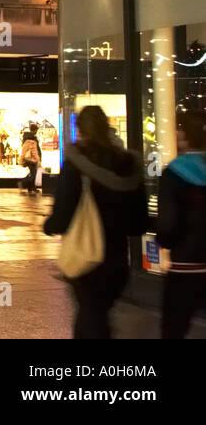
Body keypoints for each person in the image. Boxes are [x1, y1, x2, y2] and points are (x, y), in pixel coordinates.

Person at [44, 105, 148, 339]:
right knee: (99, 314)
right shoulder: (127, 165)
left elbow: (61, 217)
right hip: (118, 258)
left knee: (90, 316)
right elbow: (138, 222)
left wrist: (49, 226)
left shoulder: (75, 167)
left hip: (87, 258)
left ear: (79, 130)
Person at [157, 109, 206, 339]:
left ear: (184, 135)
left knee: (174, 330)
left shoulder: (174, 173)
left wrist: (164, 240)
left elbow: (167, 226)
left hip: (185, 266)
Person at [19, 127, 42, 195]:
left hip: (27, 159)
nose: (36, 132)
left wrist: (22, 158)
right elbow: (34, 152)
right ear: (34, 130)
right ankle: (22, 183)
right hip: (32, 160)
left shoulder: (26, 139)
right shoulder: (32, 140)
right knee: (33, 175)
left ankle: (31, 188)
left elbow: (24, 151)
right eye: (36, 130)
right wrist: (38, 160)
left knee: (32, 174)